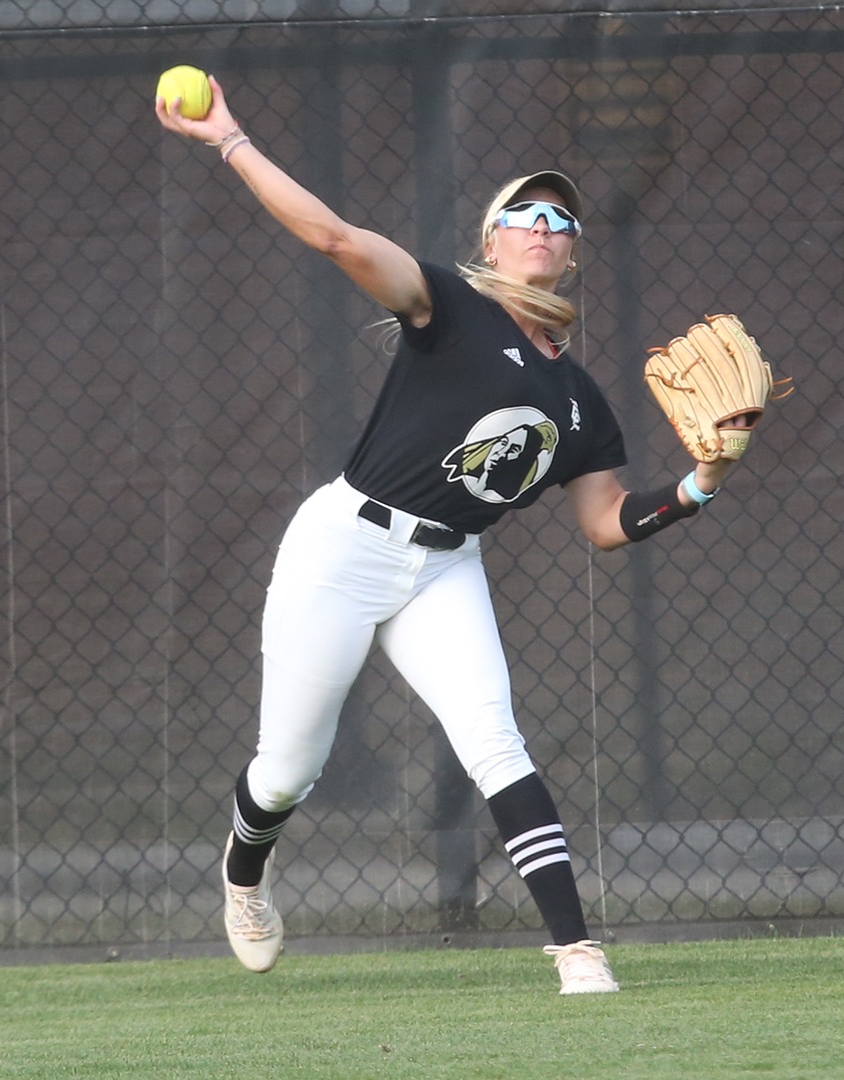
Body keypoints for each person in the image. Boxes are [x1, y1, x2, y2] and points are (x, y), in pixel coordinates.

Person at [157, 75, 742, 996]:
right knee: (288, 770)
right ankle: (244, 870)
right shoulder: (446, 303)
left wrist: (701, 483)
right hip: (344, 547)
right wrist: (230, 140)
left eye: (561, 219)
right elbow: (333, 238)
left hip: (443, 568)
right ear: (492, 240)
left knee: (496, 742)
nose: (544, 226)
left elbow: (605, 522)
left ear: (573, 254)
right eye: (525, 214)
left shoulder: (581, 400)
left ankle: (577, 952)